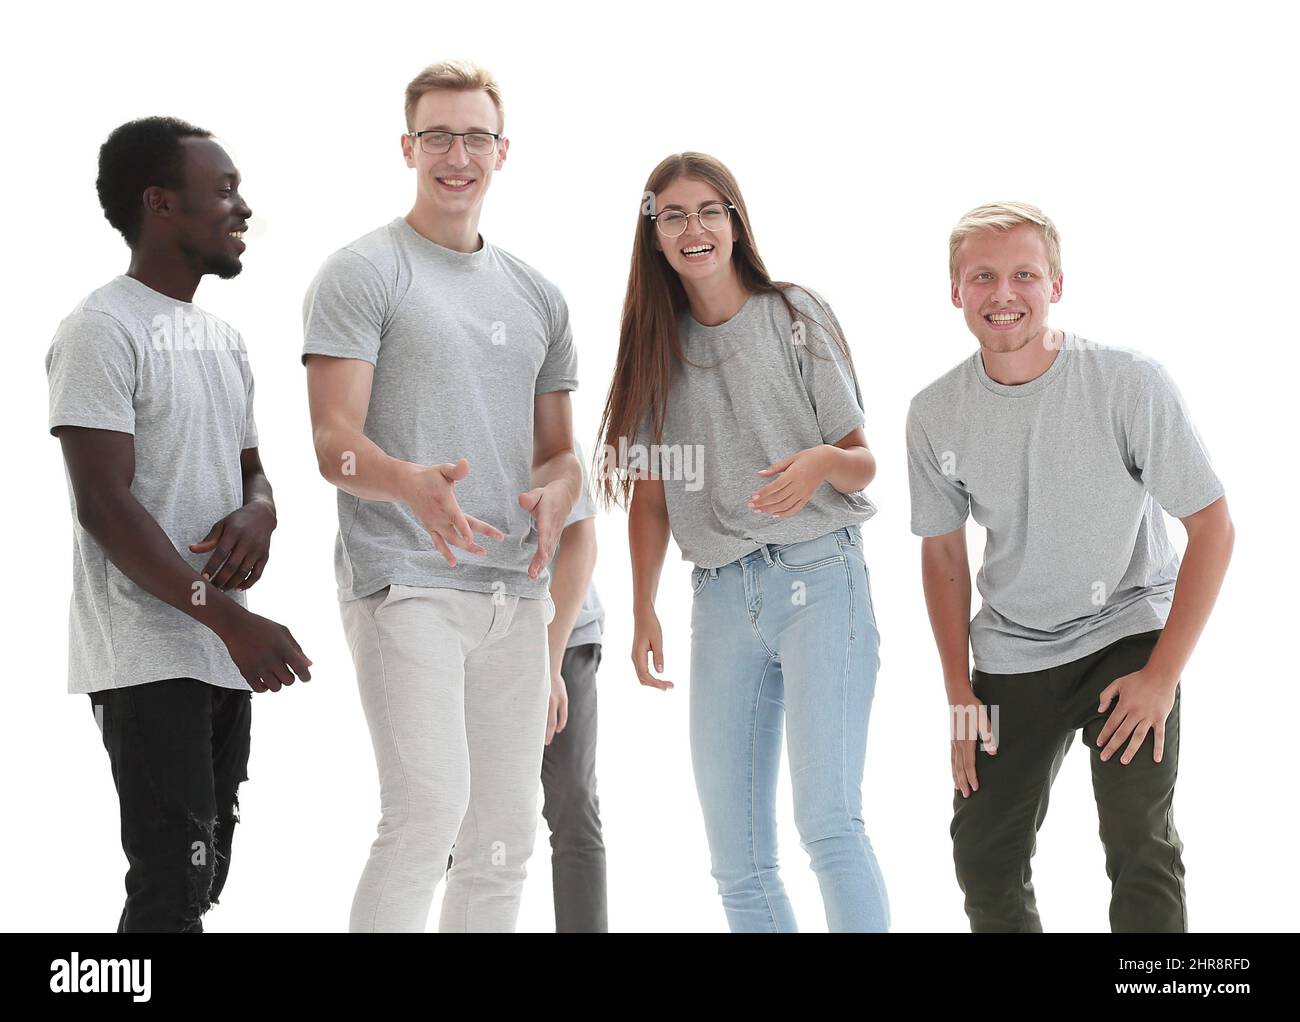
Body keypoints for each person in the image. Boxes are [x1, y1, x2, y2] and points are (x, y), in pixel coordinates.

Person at [303, 60, 581, 933]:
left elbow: (562, 454)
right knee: (425, 819)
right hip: (406, 585)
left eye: (474, 137)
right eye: (437, 136)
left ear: (503, 151)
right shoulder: (362, 273)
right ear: (407, 147)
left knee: (503, 837)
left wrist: (555, 494)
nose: (455, 155)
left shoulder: (540, 295)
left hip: (514, 597)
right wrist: (408, 484)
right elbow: (330, 443)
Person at [905, 201, 1234, 932]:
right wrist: (959, 690)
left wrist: (1162, 677)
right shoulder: (935, 413)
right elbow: (944, 552)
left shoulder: (1127, 382)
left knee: (1137, 842)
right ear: (955, 291)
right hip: (1014, 649)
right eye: (982, 276)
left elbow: (1211, 526)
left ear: (1057, 282)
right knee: (984, 859)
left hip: (1127, 634)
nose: (1003, 293)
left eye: (1024, 273)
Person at [597, 152, 889, 932]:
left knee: (829, 824)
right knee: (739, 861)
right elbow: (651, 498)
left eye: (709, 211)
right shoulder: (654, 349)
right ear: (654, 236)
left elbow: (860, 460)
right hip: (721, 599)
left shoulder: (795, 314)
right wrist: (642, 608)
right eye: (673, 216)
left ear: (734, 222)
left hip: (821, 579)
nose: (694, 228)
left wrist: (822, 462)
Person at [46, 116, 311, 932]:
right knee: (169, 885)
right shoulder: (101, 329)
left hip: (217, 652)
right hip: (147, 652)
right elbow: (105, 506)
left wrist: (260, 512)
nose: (242, 209)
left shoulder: (225, 341)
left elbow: (252, 470)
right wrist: (228, 617)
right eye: (224, 191)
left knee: (202, 881)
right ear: (161, 204)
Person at [539, 439, 607, 931]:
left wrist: (549, 662)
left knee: (574, 801)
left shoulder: (548, 421)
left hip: (566, 633)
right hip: (474, 637)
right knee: (463, 815)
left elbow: (582, 541)